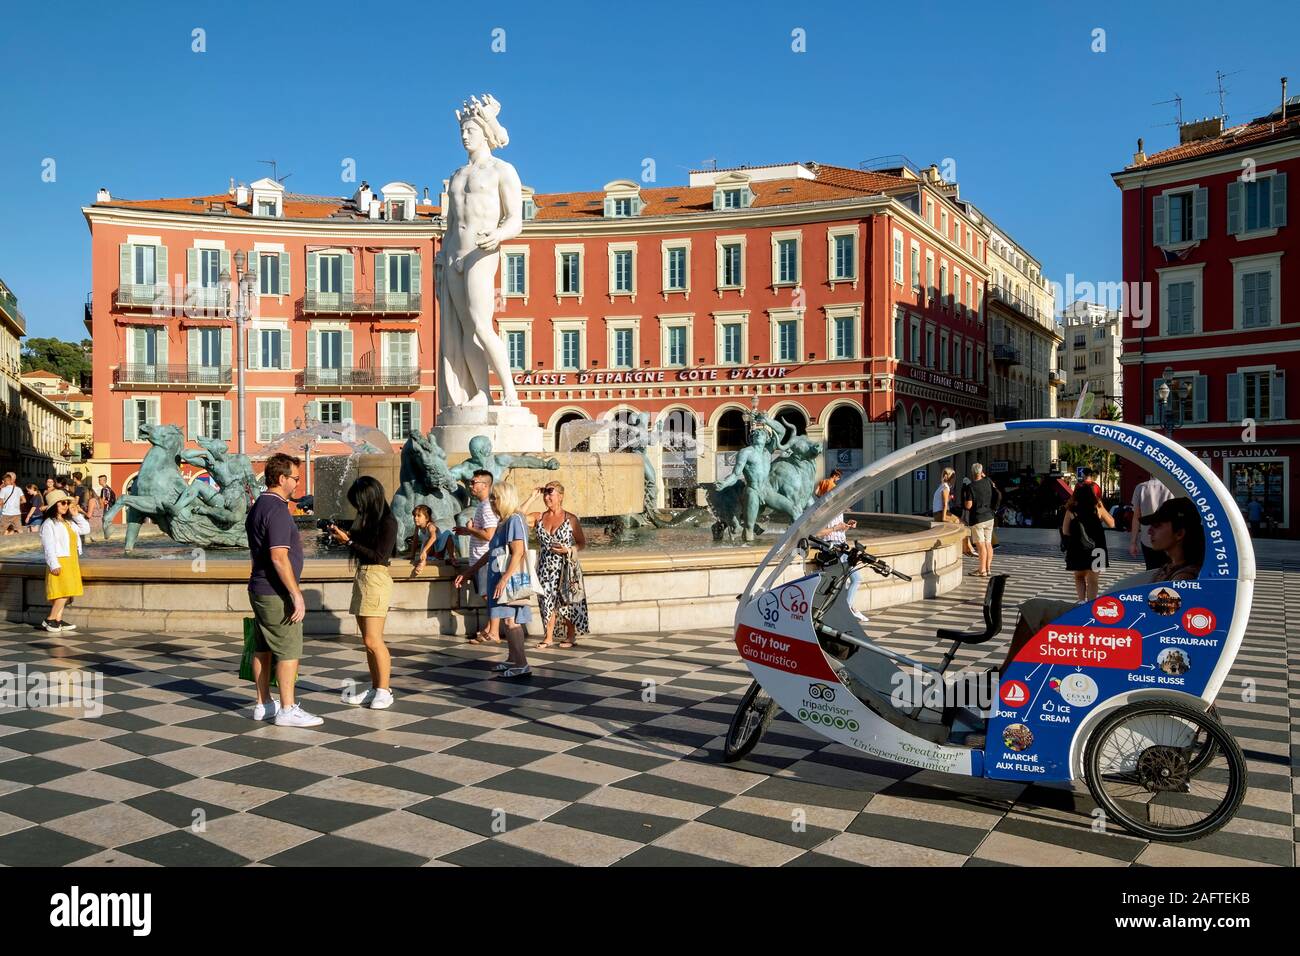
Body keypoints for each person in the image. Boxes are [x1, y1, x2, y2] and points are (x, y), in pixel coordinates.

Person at [998, 497, 1204, 669]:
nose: (1149, 531)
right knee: (1037, 608)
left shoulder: (1184, 578)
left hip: (1119, 636)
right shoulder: (1172, 567)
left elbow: (1157, 621)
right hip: (1115, 621)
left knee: (1036, 610)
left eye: (1157, 526)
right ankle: (1010, 673)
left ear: (1180, 533)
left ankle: (1007, 675)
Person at [245, 453, 320, 728]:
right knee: (289, 650)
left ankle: (263, 704)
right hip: (276, 592)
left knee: (263, 647)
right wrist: (295, 593)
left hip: (259, 587)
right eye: (295, 478)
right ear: (281, 478)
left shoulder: (258, 506)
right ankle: (287, 709)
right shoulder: (277, 509)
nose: (298, 484)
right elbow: (278, 556)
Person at [455, 481, 543, 678]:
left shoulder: (514, 520)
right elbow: (492, 552)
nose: (492, 501)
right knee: (507, 619)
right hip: (499, 578)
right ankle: (513, 658)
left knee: (512, 621)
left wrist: (504, 578)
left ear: (505, 499)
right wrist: (471, 571)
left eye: (495, 498)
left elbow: (518, 551)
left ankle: (522, 664)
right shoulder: (504, 521)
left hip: (509, 580)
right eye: (492, 497)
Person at [327, 476, 398, 710]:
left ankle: (384, 690)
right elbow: (363, 547)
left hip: (376, 578)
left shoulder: (388, 521)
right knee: (367, 642)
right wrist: (342, 536)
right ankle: (376, 686)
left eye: (359, 503)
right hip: (363, 577)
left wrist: (349, 543)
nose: (357, 508)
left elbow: (379, 556)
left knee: (373, 640)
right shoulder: (369, 520)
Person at [529, 481, 589, 649]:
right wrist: (532, 497)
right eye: (545, 494)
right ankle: (548, 637)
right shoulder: (538, 517)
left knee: (566, 600)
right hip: (545, 567)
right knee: (545, 600)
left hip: (566, 566)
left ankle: (570, 636)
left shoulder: (570, 519)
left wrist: (568, 549)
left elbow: (582, 543)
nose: (547, 497)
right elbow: (515, 515)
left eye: (551, 493)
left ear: (561, 496)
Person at [813, 471, 867, 623]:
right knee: (850, 580)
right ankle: (846, 609)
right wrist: (835, 529)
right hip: (831, 549)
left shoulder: (838, 510)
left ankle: (847, 607)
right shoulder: (822, 512)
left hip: (842, 547)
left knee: (855, 579)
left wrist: (848, 525)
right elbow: (817, 533)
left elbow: (839, 529)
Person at [454, 469, 500, 644]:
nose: (470, 485)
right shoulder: (483, 505)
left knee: (489, 596)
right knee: (486, 595)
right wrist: (468, 531)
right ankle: (490, 628)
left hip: (484, 559)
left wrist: (471, 528)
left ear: (485, 485)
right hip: (480, 559)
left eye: (474, 482)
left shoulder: (487, 506)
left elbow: (490, 535)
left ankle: (494, 631)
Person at [39, 490, 90, 631]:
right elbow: (48, 546)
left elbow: (86, 529)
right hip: (61, 560)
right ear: (54, 505)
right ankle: (50, 619)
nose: (66, 505)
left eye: (67, 502)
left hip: (71, 560)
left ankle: (58, 620)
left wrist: (76, 515)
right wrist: (53, 563)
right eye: (63, 503)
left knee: (66, 591)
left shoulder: (68, 521)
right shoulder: (49, 524)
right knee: (64, 591)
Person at [1061, 481, 1115, 601]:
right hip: (1098, 549)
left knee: (1079, 577)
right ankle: (1090, 605)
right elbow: (1112, 523)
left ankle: (1081, 602)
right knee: (1093, 581)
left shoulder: (1071, 509)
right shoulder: (1097, 507)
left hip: (1077, 548)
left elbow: (1065, 531)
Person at [962, 463, 1001, 577]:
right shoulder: (988, 481)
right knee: (988, 544)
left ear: (972, 473)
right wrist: (984, 476)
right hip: (989, 517)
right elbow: (994, 488)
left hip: (978, 519)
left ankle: (982, 570)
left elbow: (968, 506)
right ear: (981, 472)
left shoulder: (971, 486)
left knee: (981, 545)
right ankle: (988, 569)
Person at [1129, 473, 1173, 569]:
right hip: (1169, 538)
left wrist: (1133, 542)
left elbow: (1136, 517)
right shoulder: (1172, 487)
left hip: (1148, 538)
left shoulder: (1141, 488)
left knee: (1151, 571)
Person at [409, 504, 457, 575]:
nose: (415, 518)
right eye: (414, 516)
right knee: (427, 541)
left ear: (427, 518)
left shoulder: (430, 526)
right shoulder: (418, 527)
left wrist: (424, 550)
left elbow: (433, 537)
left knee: (448, 534)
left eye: (419, 516)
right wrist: (412, 555)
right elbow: (415, 540)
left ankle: (452, 557)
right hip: (432, 551)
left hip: (439, 548)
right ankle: (424, 560)